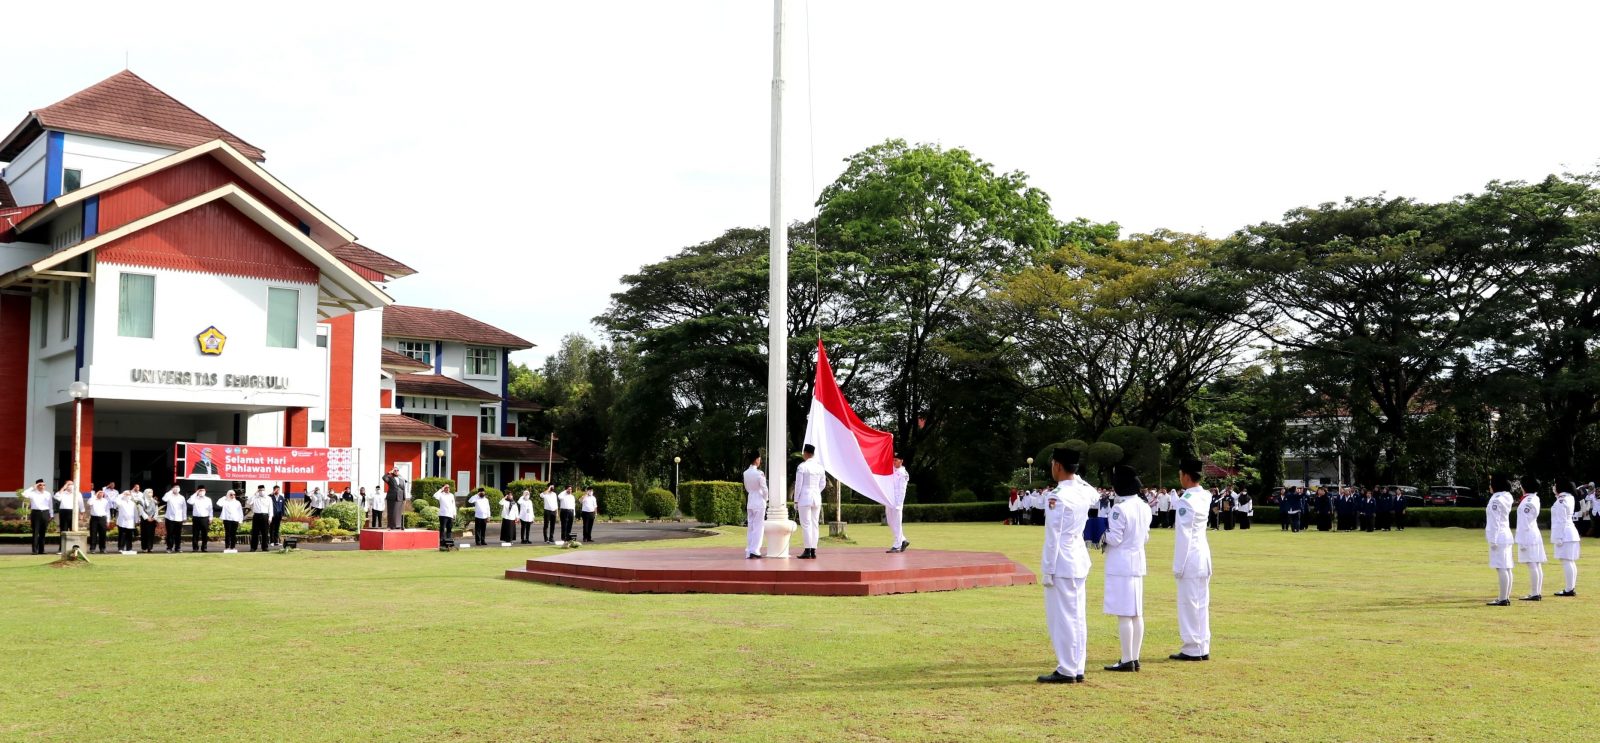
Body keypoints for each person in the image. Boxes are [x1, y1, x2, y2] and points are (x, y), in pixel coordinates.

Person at [1036, 447, 1095, 684]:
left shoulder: (1057, 497)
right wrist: (1076, 475)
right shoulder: (1082, 492)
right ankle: (1076, 665)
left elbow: (1054, 538)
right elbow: (1092, 492)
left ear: (1058, 466)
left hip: (1062, 562)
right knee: (1077, 616)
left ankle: (1068, 668)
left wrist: (1048, 570)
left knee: (1063, 618)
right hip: (1077, 558)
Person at [1102, 465, 1152, 673]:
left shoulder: (1119, 509)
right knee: (1136, 613)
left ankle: (1126, 659)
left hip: (1121, 564)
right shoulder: (1144, 506)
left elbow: (1115, 538)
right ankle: (1134, 657)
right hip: (1137, 561)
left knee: (1124, 614)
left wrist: (1099, 535)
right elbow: (1146, 536)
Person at [1171, 458, 1213, 661]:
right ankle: (1202, 644)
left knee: (1189, 604)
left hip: (1191, 558)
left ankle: (1192, 647)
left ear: (1186, 476)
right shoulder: (1204, 495)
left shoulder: (1186, 500)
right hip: (1202, 555)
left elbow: (1184, 536)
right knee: (1201, 603)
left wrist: (1178, 565)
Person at [1485, 474, 1516, 606]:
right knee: (1507, 567)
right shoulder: (1506, 496)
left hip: (1499, 536)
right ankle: (1505, 596)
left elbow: (1494, 521)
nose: (1489, 485)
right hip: (1506, 534)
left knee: (1501, 567)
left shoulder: (1496, 499)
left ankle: (1503, 598)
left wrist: (1493, 539)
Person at [793, 444, 827, 559]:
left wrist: (796, 500)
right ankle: (813, 550)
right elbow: (823, 484)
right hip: (816, 497)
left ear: (806, 453)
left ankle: (807, 550)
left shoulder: (802, 466)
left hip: (804, 498)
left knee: (806, 524)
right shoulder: (820, 467)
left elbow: (798, 485)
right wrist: (816, 491)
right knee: (814, 524)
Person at [1516, 477, 1547, 601]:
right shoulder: (1534, 498)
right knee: (1536, 564)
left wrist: (1522, 540)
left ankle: (1535, 593)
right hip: (1533, 533)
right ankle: (1536, 592)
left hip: (1528, 535)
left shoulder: (1528, 501)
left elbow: (1524, 522)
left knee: (1532, 564)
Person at [1551, 480, 1580, 597]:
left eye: (1555, 485)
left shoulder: (1562, 500)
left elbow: (1561, 520)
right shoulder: (1568, 497)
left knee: (1567, 561)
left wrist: (1558, 537)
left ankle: (1569, 589)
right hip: (1569, 533)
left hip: (1565, 534)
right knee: (1570, 562)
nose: (1554, 487)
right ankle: (1570, 587)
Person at [743, 453, 767, 558]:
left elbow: (747, 488)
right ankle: (755, 550)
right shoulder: (759, 473)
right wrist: (766, 499)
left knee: (751, 527)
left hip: (751, 501)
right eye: (759, 459)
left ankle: (749, 550)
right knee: (758, 527)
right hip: (759, 501)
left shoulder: (746, 473)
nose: (760, 461)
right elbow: (764, 489)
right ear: (756, 459)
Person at [887, 455, 911, 553]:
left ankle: (897, 545)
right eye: (893, 460)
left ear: (901, 461)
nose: (894, 462)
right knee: (890, 522)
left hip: (897, 501)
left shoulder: (903, 474)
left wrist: (899, 504)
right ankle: (903, 540)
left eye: (896, 460)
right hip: (889, 499)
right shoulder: (891, 469)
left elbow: (902, 490)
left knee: (897, 522)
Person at [25, 479, 53, 555]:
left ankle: (42, 550)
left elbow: (50, 505)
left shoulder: (48, 494)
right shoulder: (32, 493)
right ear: (37, 485)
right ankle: (34, 550)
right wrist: (32, 487)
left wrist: (51, 514)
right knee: (35, 532)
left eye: (44, 485)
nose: (42, 486)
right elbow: (24, 494)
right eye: (40, 485)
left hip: (45, 513)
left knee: (43, 533)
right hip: (36, 513)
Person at [85, 487, 112, 554]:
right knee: (93, 534)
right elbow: (89, 503)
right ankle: (92, 548)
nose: (101, 494)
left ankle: (102, 548)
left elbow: (107, 511)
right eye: (99, 493)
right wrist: (95, 495)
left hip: (102, 518)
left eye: (102, 493)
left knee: (103, 534)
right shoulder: (93, 500)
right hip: (94, 518)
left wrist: (108, 520)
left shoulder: (105, 501)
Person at [162, 486, 187, 553]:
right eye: (174, 488)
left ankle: (177, 548)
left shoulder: (182, 497)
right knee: (170, 534)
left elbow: (184, 507)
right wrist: (170, 491)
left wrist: (184, 517)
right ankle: (169, 548)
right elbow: (164, 499)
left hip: (179, 518)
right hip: (169, 518)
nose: (176, 489)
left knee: (178, 534)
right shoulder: (169, 496)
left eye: (177, 488)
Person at [187, 486, 213, 553]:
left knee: (204, 534)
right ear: (197, 491)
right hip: (196, 518)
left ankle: (204, 548)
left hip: (205, 518)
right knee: (195, 534)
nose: (201, 492)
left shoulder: (208, 499)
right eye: (200, 490)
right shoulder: (194, 498)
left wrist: (210, 518)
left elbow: (210, 509)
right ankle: (195, 548)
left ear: (205, 491)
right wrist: (196, 493)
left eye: (203, 490)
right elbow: (189, 501)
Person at [115, 487, 140, 553]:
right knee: (122, 535)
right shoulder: (121, 502)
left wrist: (137, 520)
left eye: (129, 494)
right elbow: (116, 500)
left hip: (130, 522)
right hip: (122, 521)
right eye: (126, 494)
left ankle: (129, 548)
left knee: (129, 536)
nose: (128, 496)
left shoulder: (132, 503)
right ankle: (121, 548)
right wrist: (122, 494)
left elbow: (135, 512)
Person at [248, 486, 273, 552]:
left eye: (262, 490)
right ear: (258, 490)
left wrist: (270, 518)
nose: (261, 491)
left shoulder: (268, 498)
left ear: (265, 490)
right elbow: (249, 503)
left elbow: (271, 509)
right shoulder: (255, 498)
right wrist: (254, 494)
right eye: (260, 490)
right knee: (255, 533)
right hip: (256, 516)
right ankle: (253, 547)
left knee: (265, 532)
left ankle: (265, 547)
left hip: (265, 516)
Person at [138, 487, 159, 553]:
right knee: (144, 533)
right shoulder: (141, 501)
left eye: (151, 492)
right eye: (149, 492)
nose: (151, 494)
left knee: (151, 534)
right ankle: (144, 547)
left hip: (152, 520)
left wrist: (154, 517)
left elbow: (156, 510)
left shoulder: (154, 501)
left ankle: (150, 547)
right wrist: (147, 517)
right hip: (145, 520)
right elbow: (141, 510)